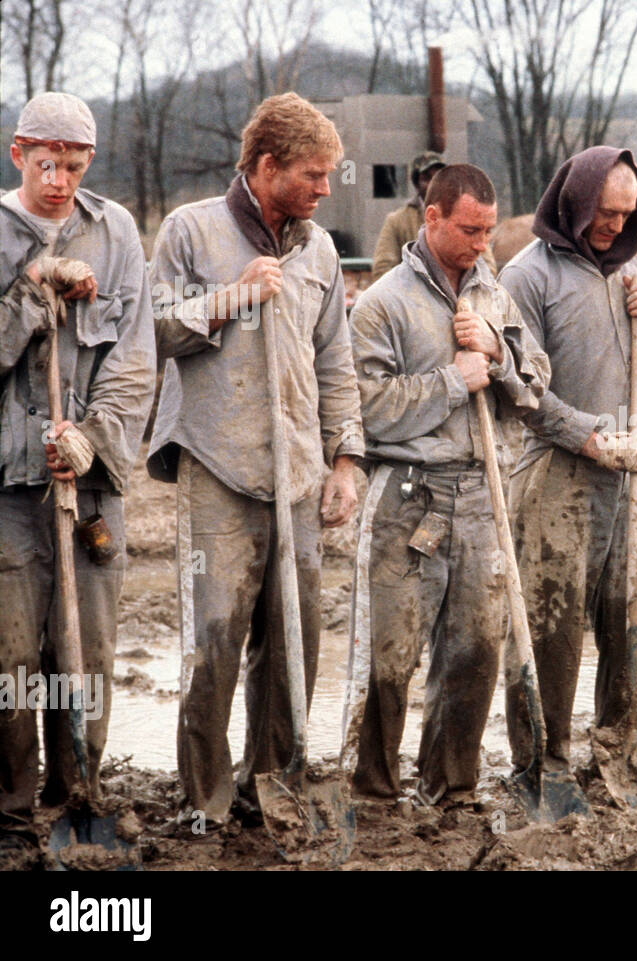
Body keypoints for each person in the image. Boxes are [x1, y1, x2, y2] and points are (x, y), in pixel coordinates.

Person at [148, 93, 365, 826]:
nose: (326, 187)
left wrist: (346, 459)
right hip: (219, 463)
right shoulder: (192, 230)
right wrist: (231, 298)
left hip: (298, 467)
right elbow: (152, 331)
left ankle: (270, 782)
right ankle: (204, 800)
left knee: (294, 639)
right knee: (213, 639)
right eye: (313, 173)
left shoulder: (320, 249)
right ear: (267, 166)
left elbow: (337, 360)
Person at [341, 164, 548, 806]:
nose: (483, 243)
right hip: (408, 494)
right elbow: (366, 407)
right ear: (431, 219)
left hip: (483, 492)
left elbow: (537, 383)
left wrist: (499, 354)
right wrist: (455, 379)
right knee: (389, 654)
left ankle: (451, 787)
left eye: (489, 230)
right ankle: (372, 790)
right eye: (470, 230)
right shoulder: (382, 305)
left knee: (474, 651)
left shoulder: (495, 295)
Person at [0, 93, 155, 858]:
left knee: (85, 650)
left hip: (90, 484)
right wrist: (31, 292)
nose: (60, 178)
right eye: (46, 161)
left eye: (77, 163)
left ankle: (77, 794)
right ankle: (10, 806)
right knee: (10, 655)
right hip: (7, 487)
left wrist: (91, 438)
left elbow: (134, 359)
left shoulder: (117, 230)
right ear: (18, 150)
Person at [498, 146, 637, 775]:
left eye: (628, 215)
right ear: (574, 203)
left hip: (633, 473)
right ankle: (542, 760)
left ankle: (622, 746)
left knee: (635, 616)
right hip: (558, 474)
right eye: (605, 213)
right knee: (553, 627)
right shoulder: (526, 276)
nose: (615, 227)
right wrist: (588, 437)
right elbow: (520, 391)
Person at [370, 150, 446, 280]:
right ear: (417, 184)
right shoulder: (397, 221)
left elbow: (485, 264)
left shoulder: (461, 216)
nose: (434, 183)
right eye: (427, 178)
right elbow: (382, 268)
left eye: (439, 177)